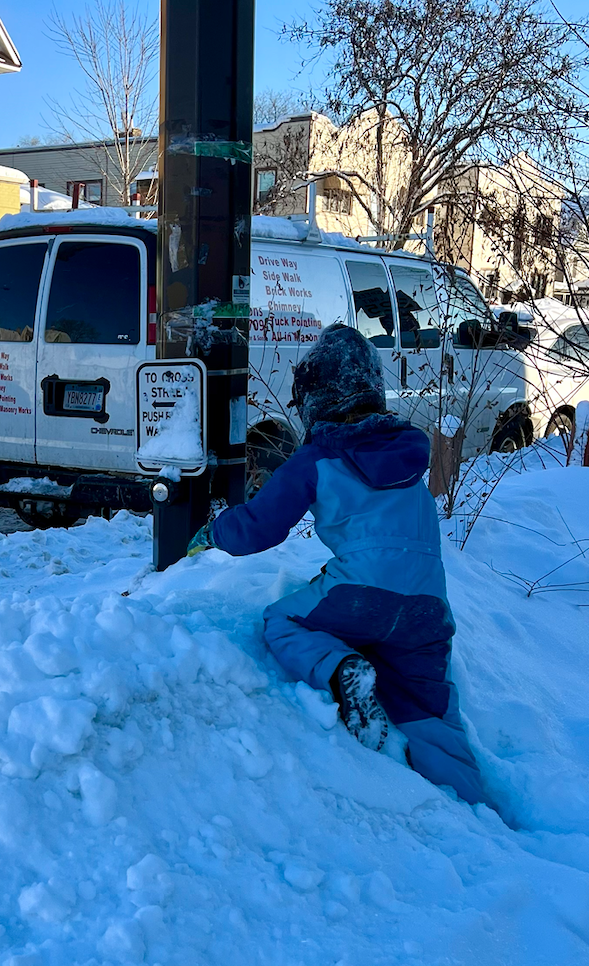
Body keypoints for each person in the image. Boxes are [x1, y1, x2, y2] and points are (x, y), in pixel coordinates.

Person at [188, 323, 485, 805]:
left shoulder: (319, 457)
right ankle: (475, 808)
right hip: (428, 608)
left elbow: (262, 527)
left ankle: (342, 666)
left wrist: (215, 532)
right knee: (430, 710)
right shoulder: (408, 455)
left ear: (314, 396)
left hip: (360, 592)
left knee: (283, 620)